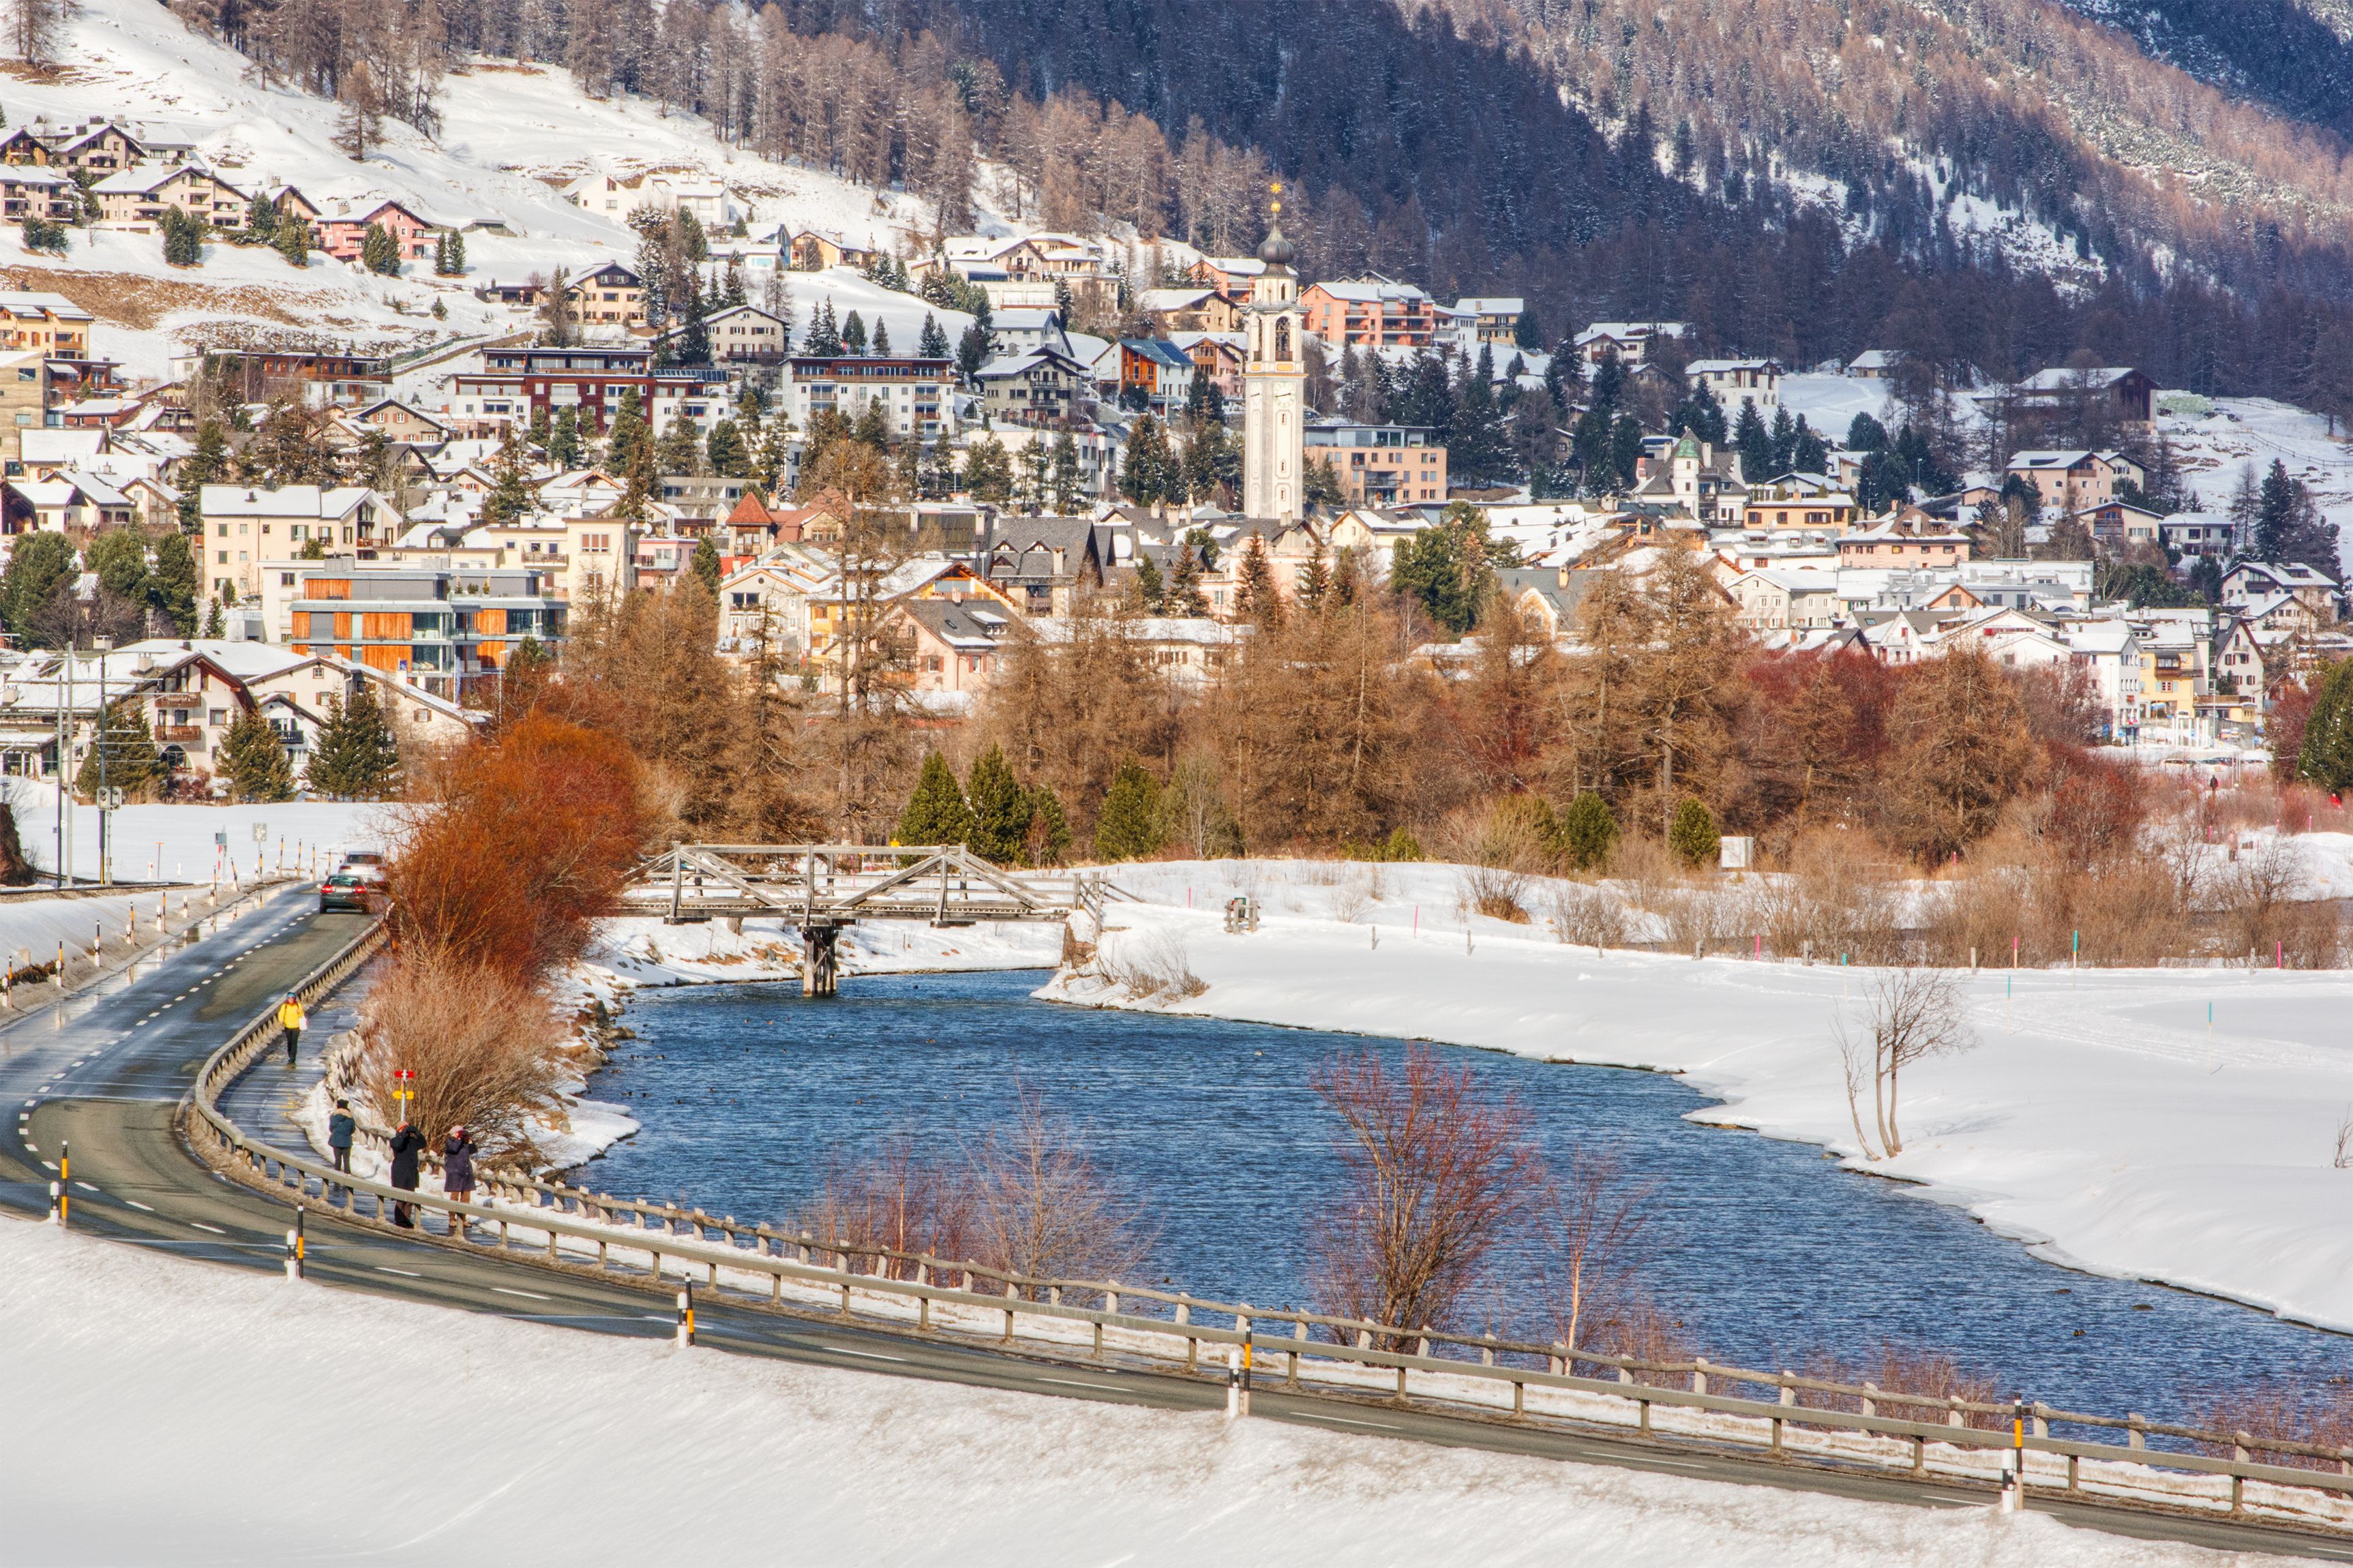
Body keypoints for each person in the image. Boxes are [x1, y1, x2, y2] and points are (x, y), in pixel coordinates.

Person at [387, 1119, 425, 1228]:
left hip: (411, 1171)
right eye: (404, 1128)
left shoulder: (412, 1141)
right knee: (401, 1197)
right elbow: (398, 1145)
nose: (407, 1131)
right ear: (400, 1130)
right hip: (400, 1171)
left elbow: (423, 1143)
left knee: (410, 1197)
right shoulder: (395, 1140)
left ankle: (407, 1218)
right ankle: (399, 1219)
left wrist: (417, 1132)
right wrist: (403, 1133)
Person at [443, 1124, 477, 1237]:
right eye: (461, 1133)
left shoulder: (464, 1143)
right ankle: (452, 1219)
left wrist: (469, 1140)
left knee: (466, 1198)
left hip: (466, 1174)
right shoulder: (450, 1142)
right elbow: (453, 1149)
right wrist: (458, 1139)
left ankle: (463, 1219)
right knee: (455, 1197)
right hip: (455, 1174)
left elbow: (474, 1150)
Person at [276, 993, 306, 1067]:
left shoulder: (298, 1005)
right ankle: (290, 1055)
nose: (291, 999)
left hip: (296, 1027)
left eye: (292, 998)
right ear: (287, 999)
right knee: (289, 1042)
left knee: (294, 1042)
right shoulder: (285, 1006)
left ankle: (293, 1058)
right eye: (289, 998)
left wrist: (299, 1012)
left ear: (294, 998)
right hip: (288, 1027)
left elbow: (301, 1015)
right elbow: (281, 1014)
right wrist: (281, 1021)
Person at [327, 1098, 355, 1174]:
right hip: (347, 1142)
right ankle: (347, 1176)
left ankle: (337, 1176)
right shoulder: (350, 1118)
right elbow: (353, 1130)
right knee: (347, 1161)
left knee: (338, 1160)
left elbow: (331, 1128)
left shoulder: (334, 1117)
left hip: (336, 1141)